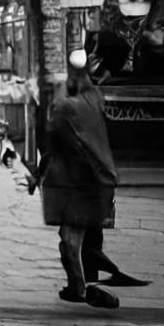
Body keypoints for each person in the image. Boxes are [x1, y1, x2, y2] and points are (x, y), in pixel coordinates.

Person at [28, 49, 121, 309]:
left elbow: (53, 135)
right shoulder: (93, 97)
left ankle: (78, 287)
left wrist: (39, 173)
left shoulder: (66, 103)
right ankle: (80, 283)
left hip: (75, 179)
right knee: (74, 235)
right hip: (94, 177)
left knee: (70, 237)